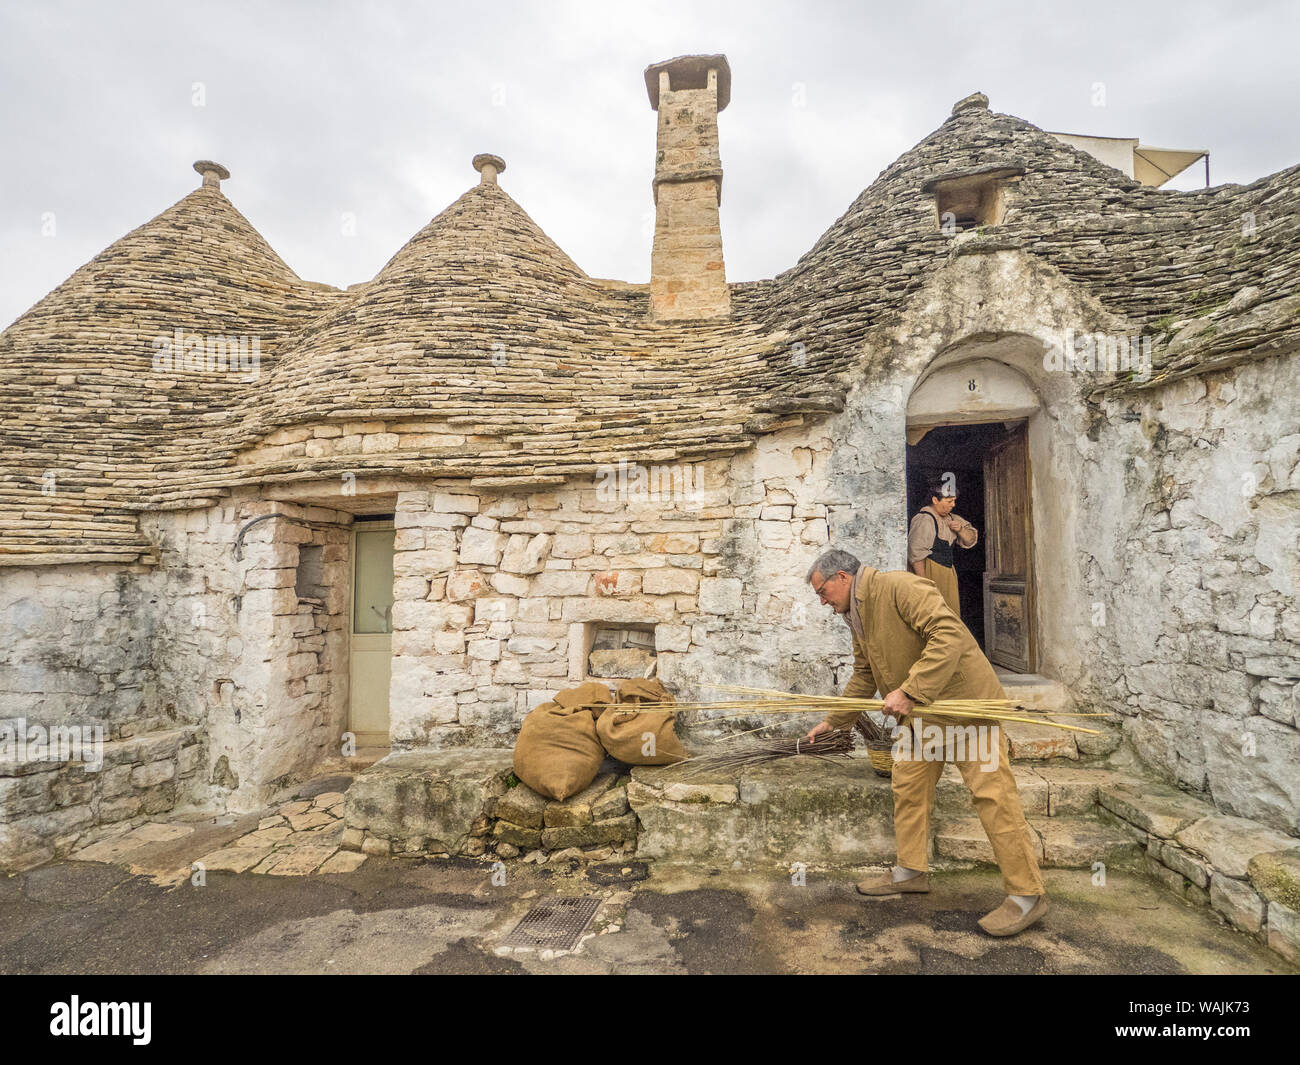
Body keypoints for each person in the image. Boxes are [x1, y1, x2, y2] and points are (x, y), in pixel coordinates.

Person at [803, 547, 1047, 937]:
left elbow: (948, 635)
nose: (823, 602)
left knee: (994, 798)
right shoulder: (856, 615)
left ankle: (1026, 897)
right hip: (920, 716)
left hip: (963, 709)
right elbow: (865, 673)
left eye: (822, 592)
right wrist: (835, 721)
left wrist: (910, 690)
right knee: (908, 787)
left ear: (842, 578)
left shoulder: (901, 586)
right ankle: (910, 871)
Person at [908, 478, 977, 617]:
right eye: (949, 501)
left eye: (954, 501)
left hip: (948, 572)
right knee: (933, 614)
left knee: (949, 614)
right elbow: (916, 554)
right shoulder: (925, 518)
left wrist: (960, 530)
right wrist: (924, 585)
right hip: (931, 572)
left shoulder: (952, 518)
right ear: (935, 500)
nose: (953, 505)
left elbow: (970, 540)